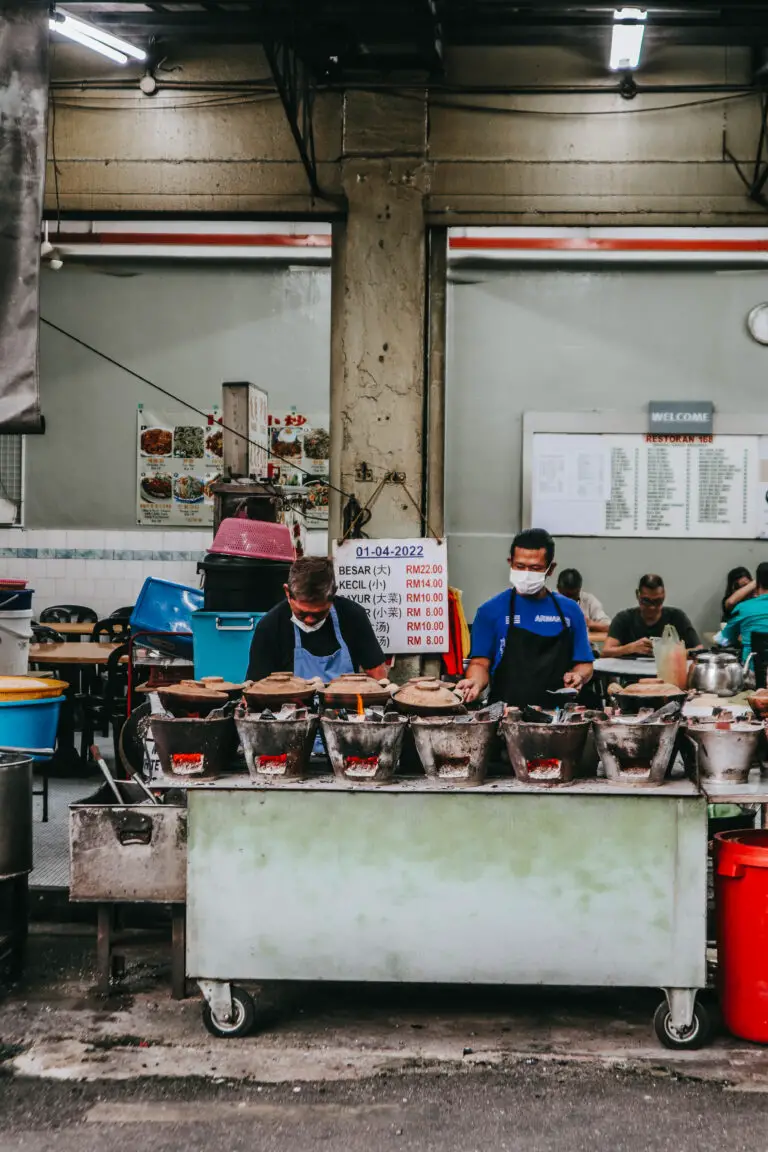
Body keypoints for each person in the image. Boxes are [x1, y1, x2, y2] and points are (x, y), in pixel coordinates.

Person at [457, 528, 594, 707]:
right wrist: (474, 682)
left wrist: (579, 676)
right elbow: (480, 663)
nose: (527, 574)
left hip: (558, 717)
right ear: (510, 563)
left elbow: (585, 663)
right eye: (520, 566)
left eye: (535, 568)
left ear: (550, 569)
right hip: (506, 715)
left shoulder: (570, 611)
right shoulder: (490, 610)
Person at [246, 556, 388, 683]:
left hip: (345, 708)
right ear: (287, 592)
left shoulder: (353, 616)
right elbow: (257, 687)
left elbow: (377, 674)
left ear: (333, 596)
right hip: (289, 709)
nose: (309, 620)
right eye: (302, 613)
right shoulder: (270, 626)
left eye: (319, 614)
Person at [602, 574, 701, 658]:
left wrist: (670, 653)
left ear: (664, 596)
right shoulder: (624, 619)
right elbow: (605, 652)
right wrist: (629, 648)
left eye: (658, 601)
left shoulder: (677, 617)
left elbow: (699, 650)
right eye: (646, 601)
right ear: (637, 595)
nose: (652, 607)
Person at [717, 562, 768, 662]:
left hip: (752, 671)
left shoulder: (743, 608)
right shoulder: (740, 606)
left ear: (756, 584)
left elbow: (723, 639)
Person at [556, 568, 611, 634]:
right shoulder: (549, 600)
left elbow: (610, 627)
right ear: (558, 589)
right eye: (566, 595)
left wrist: (589, 623)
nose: (570, 600)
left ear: (579, 589)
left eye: (574, 595)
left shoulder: (589, 600)